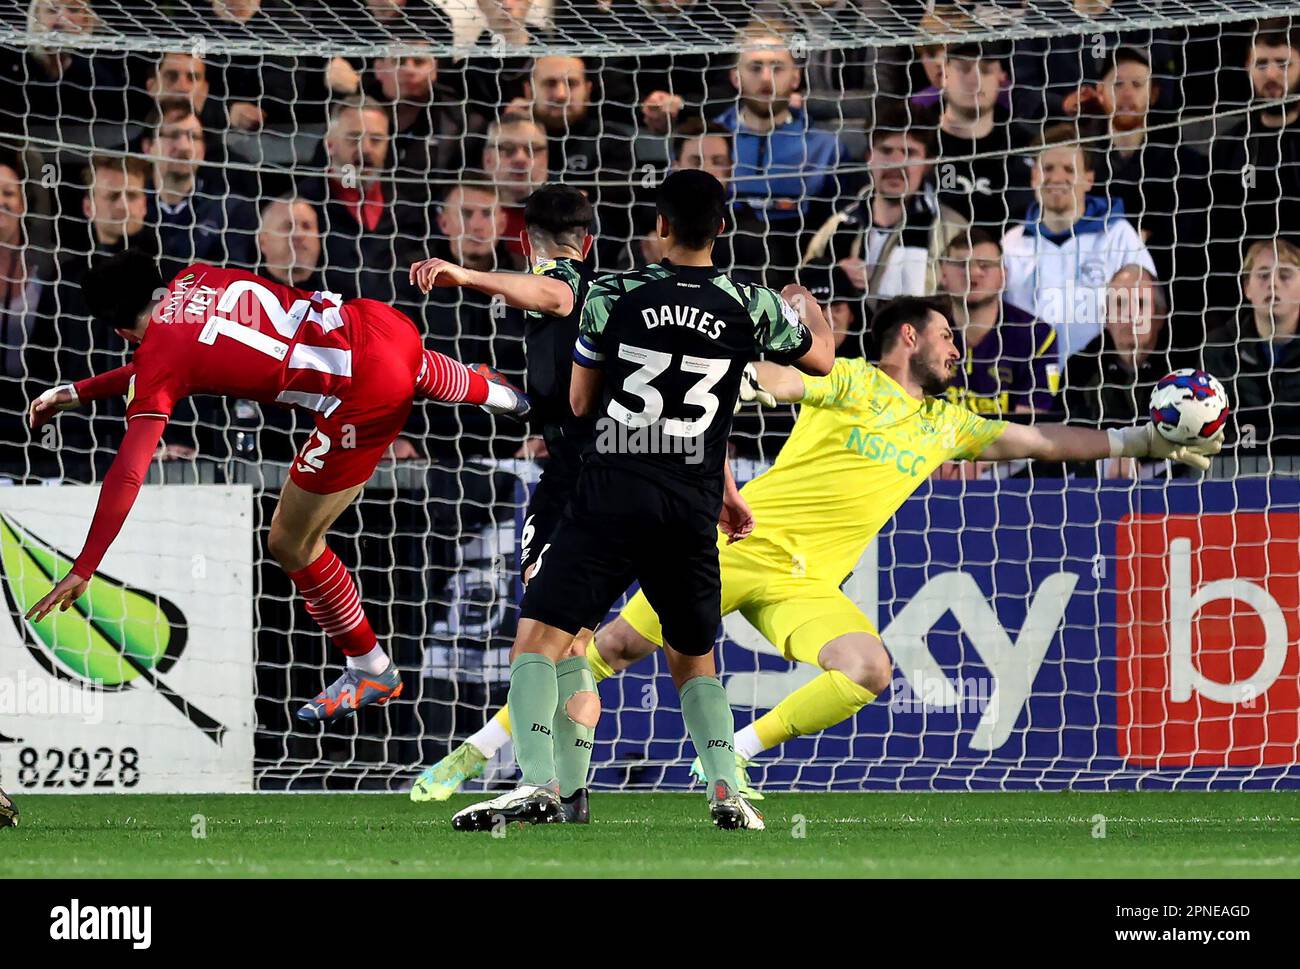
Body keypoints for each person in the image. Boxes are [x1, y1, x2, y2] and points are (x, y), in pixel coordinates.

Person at [417, 294, 1222, 804]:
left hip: (807, 584)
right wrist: (759, 369)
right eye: (946, 338)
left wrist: (1140, 438)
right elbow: (788, 379)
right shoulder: (856, 380)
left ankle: (730, 756)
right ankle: (475, 753)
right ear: (908, 336)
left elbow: (1046, 442)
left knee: (869, 668)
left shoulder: (954, 420)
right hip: (739, 544)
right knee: (612, 647)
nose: (957, 350)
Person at [447, 169, 835, 831]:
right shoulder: (753, 302)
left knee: (539, 641)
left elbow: (577, 401)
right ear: (721, 227)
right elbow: (823, 360)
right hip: (689, 501)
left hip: (609, 492)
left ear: (658, 226)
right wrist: (811, 307)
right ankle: (724, 788)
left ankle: (541, 782)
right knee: (693, 656)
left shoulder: (615, 293)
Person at [25, 249, 530, 724]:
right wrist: (78, 391)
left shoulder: (159, 360)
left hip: (364, 395)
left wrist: (85, 566)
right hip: (379, 322)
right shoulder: (196, 275)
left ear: (118, 331)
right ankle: (493, 391)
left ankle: (371, 670)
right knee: (396, 361)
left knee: (291, 542)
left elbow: (129, 470)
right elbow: (176, 351)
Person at [407, 184, 600, 816]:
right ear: (590, 237)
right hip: (610, 483)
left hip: (573, 488)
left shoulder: (566, 284)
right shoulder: (605, 299)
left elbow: (555, 290)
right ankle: (572, 794)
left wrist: (462, 273)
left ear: (524, 241)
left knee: (531, 647)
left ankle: (538, 783)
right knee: (573, 645)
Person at [1001, 125, 1157, 363]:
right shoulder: (1011, 244)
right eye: (1048, 168)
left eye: (1069, 169)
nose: (1057, 178)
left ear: (1088, 179)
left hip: (1097, 384)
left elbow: (1147, 312)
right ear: (1034, 177)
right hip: (1029, 386)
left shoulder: (1119, 236)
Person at [713, 19, 843, 286]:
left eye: (777, 67)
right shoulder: (709, 143)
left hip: (798, 273)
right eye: (755, 66)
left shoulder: (825, 147)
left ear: (796, 77)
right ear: (735, 77)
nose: (766, 78)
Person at [799, 104, 966, 313]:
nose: (896, 163)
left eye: (909, 152)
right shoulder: (838, 225)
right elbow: (799, 295)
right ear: (870, 157)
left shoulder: (951, 229)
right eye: (886, 151)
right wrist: (834, 276)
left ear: (927, 163)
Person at [1064, 265, 1176, 477]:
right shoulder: (1080, 369)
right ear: (1106, 317)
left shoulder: (1182, 369)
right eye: (1119, 304)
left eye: (1140, 304)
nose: (1129, 315)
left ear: (1160, 315)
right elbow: (1066, 438)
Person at [938, 228, 1059, 418]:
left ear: (1004, 275)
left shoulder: (1036, 336)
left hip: (1008, 447)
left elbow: (1031, 427)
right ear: (943, 274)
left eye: (985, 265)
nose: (973, 272)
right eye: (961, 264)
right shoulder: (921, 330)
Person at [1203, 239, 1300, 458]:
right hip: (1236, 476)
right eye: (1263, 275)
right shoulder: (1219, 349)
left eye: (1284, 275)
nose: (1273, 284)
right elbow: (1212, 432)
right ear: (1247, 287)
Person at [932, 41, 1034, 235]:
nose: (975, 80)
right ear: (943, 75)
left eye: (985, 70)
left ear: (1001, 77)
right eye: (963, 69)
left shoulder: (1025, 144)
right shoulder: (918, 142)